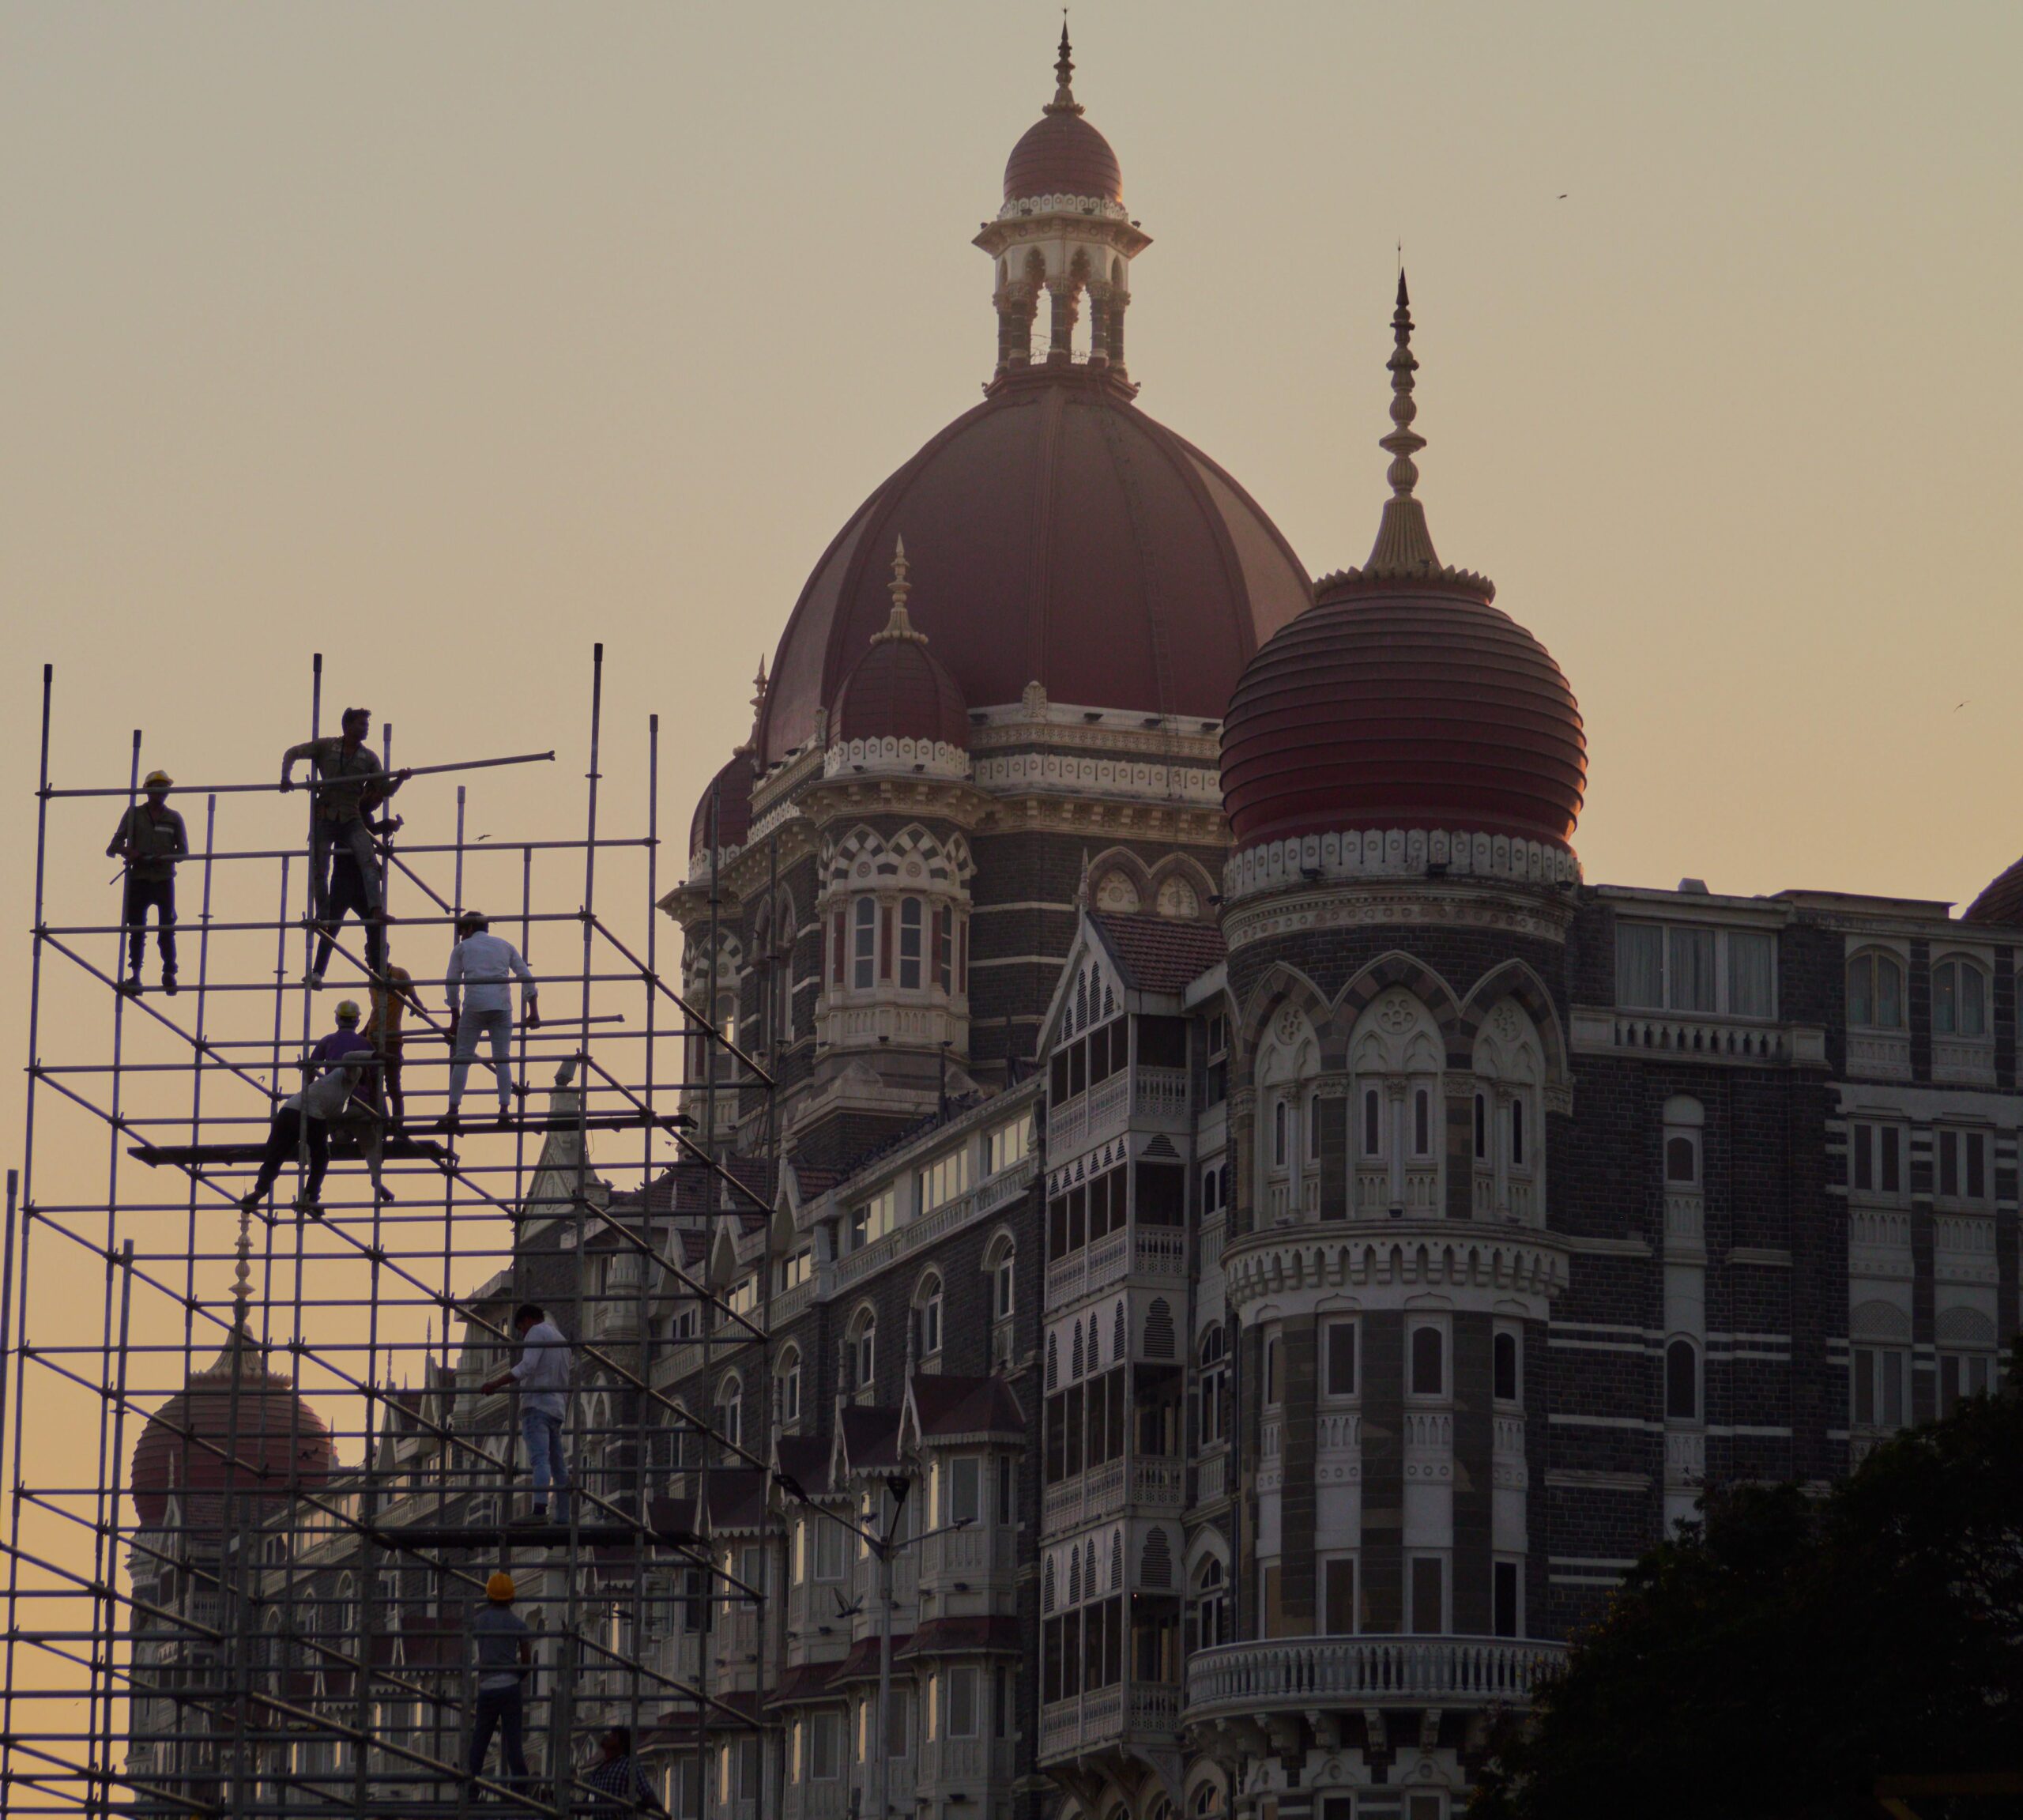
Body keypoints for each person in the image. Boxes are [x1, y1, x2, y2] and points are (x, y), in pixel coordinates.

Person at [239, 1000, 379, 1217]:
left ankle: (259, 1191)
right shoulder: (364, 1047)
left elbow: (310, 1069)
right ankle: (311, 1197)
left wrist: (309, 1088)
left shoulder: (328, 1040)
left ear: (337, 1018)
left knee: (275, 1153)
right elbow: (374, 1078)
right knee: (321, 1155)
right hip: (326, 1111)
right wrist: (381, 1114)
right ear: (357, 1020)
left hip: (294, 1107)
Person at [279, 707, 409, 928]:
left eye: (367, 725)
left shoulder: (368, 758)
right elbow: (292, 752)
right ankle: (323, 915)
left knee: (368, 861)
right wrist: (285, 777)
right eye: (361, 724)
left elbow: (384, 790)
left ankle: (376, 910)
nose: (366, 728)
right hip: (325, 815)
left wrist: (400, 779)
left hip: (351, 817)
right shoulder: (326, 747)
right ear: (347, 726)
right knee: (320, 867)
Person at [444, 911, 540, 1127]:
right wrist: (533, 1009)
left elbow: (451, 982)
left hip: (474, 1006)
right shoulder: (504, 945)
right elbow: (525, 975)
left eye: (462, 932)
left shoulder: (463, 948)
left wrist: (455, 1016)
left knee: (462, 1058)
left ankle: (453, 1110)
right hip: (501, 1007)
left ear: (469, 929)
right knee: (502, 1058)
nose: (461, 937)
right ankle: (504, 1110)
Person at [481, 1303, 571, 1524]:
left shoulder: (536, 1332)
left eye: (521, 1329)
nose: (523, 1334)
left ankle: (540, 1510)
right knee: (558, 1466)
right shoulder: (561, 1341)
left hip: (536, 1406)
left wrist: (496, 1383)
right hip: (556, 1408)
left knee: (540, 1460)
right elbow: (565, 1378)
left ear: (527, 1320)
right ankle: (563, 1517)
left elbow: (527, 1366)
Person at [106, 769, 187, 996]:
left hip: (163, 879)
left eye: (165, 788)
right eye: (157, 787)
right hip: (139, 878)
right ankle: (136, 975)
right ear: (147, 790)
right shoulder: (134, 815)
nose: (161, 792)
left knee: (166, 928)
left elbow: (183, 852)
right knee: (137, 930)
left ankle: (169, 972)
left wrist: (165, 857)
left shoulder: (173, 818)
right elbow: (112, 847)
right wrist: (129, 851)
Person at [307, 819, 401, 985]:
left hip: (359, 885)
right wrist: (383, 826)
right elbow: (360, 833)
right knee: (331, 928)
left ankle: (379, 974)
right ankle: (317, 972)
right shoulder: (349, 814)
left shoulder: (361, 814)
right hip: (344, 883)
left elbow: (365, 842)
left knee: (372, 926)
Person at [467, 1571, 533, 1791]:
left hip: (486, 1688)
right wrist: (515, 1675)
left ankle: (471, 1790)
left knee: (480, 1742)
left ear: (488, 1596)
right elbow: (526, 1662)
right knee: (514, 1743)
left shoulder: (479, 1622)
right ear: (511, 1598)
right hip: (510, 1688)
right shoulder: (518, 1624)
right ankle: (521, 1791)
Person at [363, 959, 425, 1126]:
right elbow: (376, 1010)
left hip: (392, 1038)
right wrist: (362, 1033)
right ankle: (381, 1123)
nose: (366, 959)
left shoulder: (400, 974)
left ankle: (397, 1127)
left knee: (393, 1086)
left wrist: (418, 1008)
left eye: (369, 954)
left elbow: (415, 1000)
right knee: (372, 1086)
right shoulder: (372, 978)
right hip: (373, 1037)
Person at [582, 1727, 665, 1816]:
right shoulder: (598, 1771)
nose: (607, 1737)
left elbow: (647, 1793)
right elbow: (590, 1802)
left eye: (613, 1736)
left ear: (622, 1743)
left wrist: (661, 1812)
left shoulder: (629, 1765)